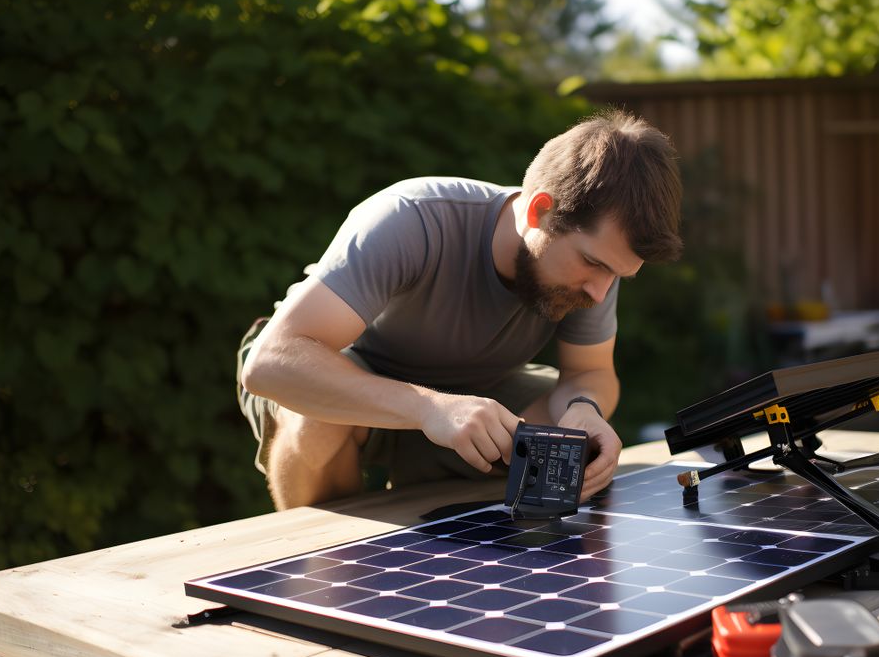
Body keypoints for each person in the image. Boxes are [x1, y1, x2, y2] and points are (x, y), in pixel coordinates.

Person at [238, 110, 683, 510]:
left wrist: (585, 408)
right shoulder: (413, 219)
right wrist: (429, 408)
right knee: (313, 416)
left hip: (476, 388)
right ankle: (321, 557)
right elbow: (270, 362)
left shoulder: (594, 270)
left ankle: (440, 524)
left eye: (618, 275)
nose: (600, 292)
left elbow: (590, 373)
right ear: (540, 210)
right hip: (355, 372)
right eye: (593, 263)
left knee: (559, 432)